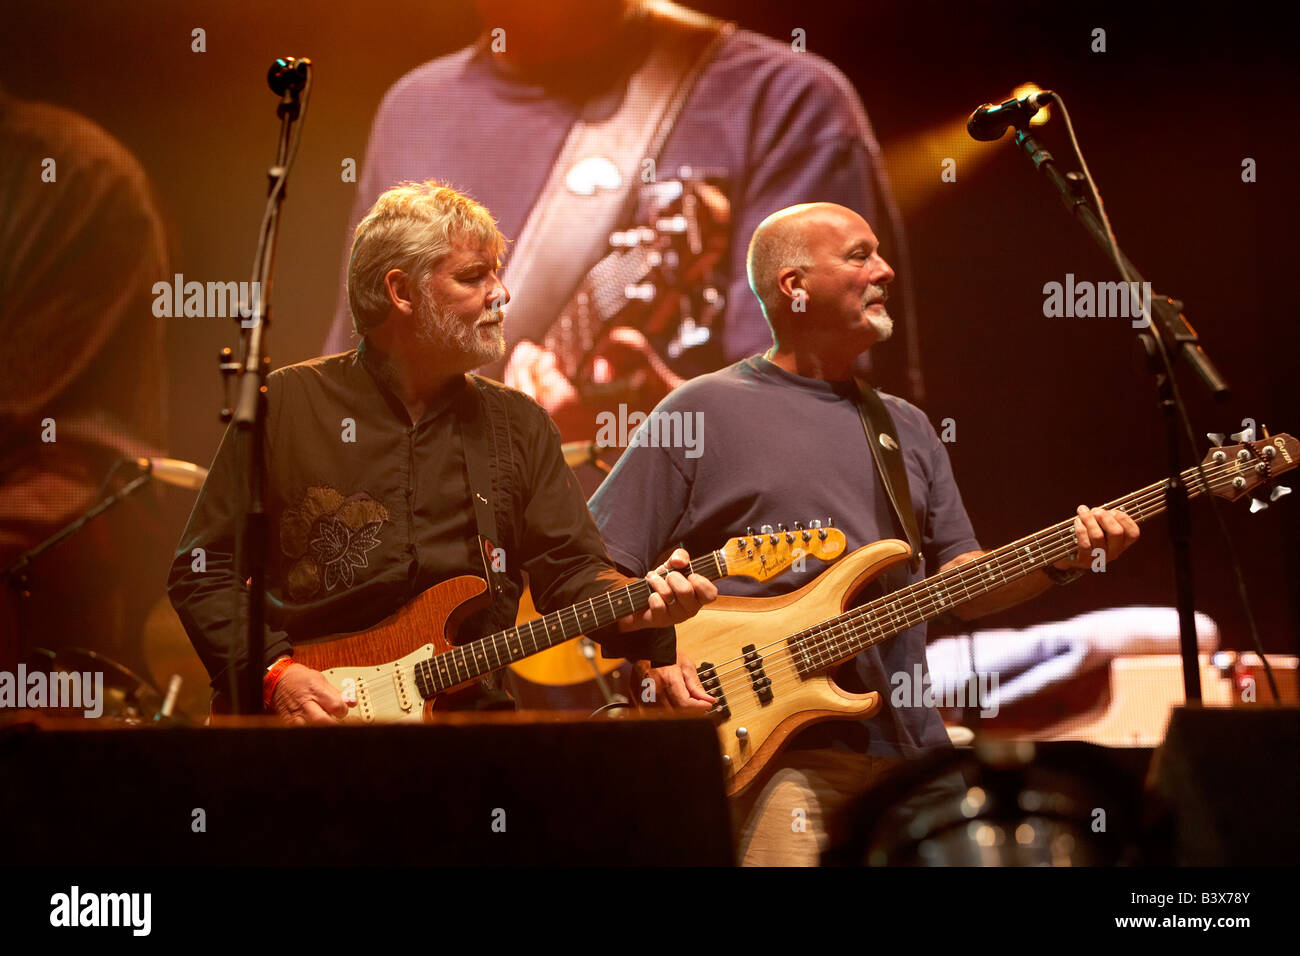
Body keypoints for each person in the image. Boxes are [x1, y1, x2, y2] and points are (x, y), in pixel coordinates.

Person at [587, 202, 1141, 864]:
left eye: (879, 254)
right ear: (793, 286)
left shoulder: (904, 425)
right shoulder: (701, 409)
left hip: (912, 753)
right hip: (780, 757)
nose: (884, 270)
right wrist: (658, 655)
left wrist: (1062, 561)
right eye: (859, 256)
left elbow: (962, 584)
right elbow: (593, 569)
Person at [167, 181, 716, 722]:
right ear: (402, 291)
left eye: (496, 274)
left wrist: (638, 605)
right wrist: (273, 674)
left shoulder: (519, 423)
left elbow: (571, 572)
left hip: (470, 735)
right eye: (473, 277)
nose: (501, 293)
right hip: (311, 734)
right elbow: (202, 571)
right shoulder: (285, 403)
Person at [321, 0, 921, 429]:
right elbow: (353, 397)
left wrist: (654, 434)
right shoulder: (412, 109)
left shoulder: (781, 100)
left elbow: (823, 427)